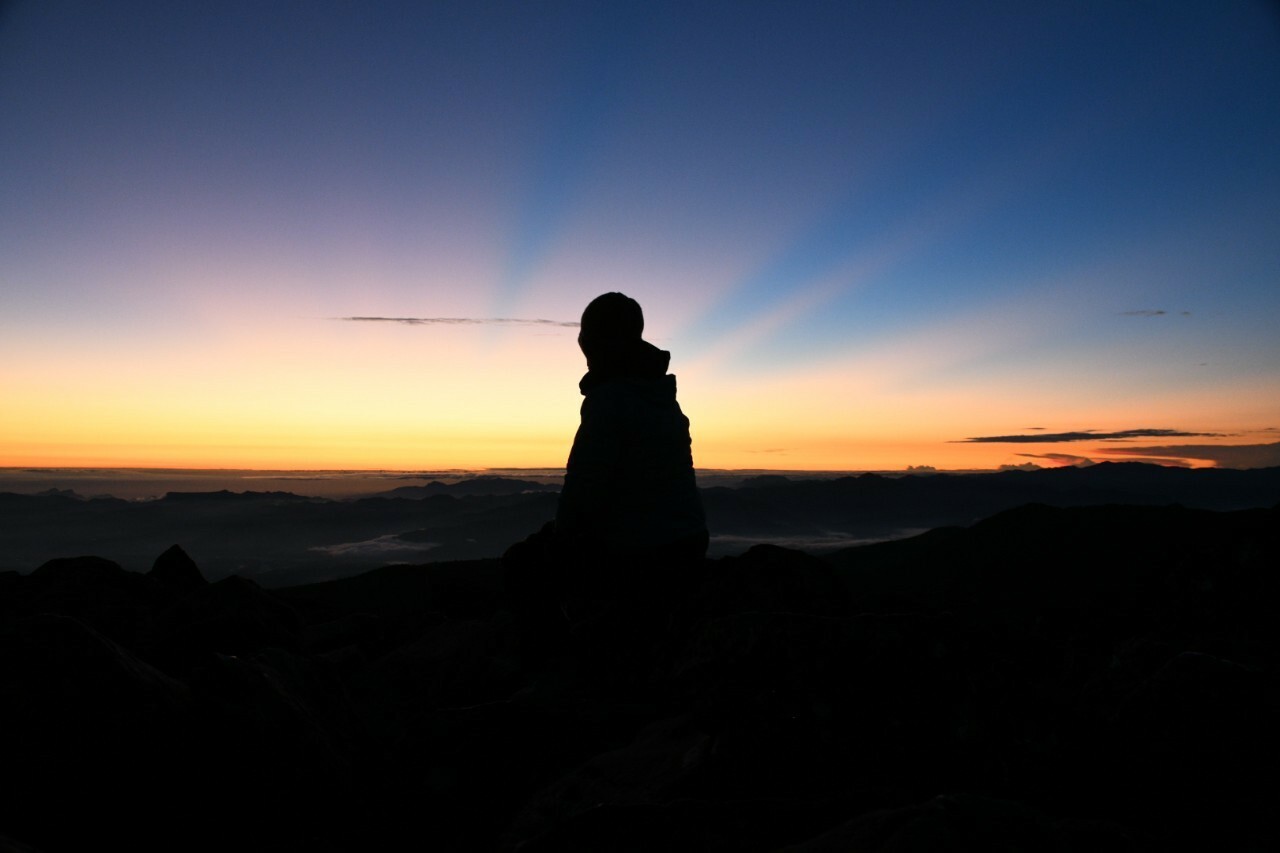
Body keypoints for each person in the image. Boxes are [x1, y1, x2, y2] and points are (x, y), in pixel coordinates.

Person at [503, 293, 707, 647]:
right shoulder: (661, 396)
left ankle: (558, 662)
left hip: (644, 553)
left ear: (600, 341)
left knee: (522, 564)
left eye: (588, 337)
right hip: (687, 543)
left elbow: (585, 487)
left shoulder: (610, 400)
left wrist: (560, 540)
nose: (584, 346)